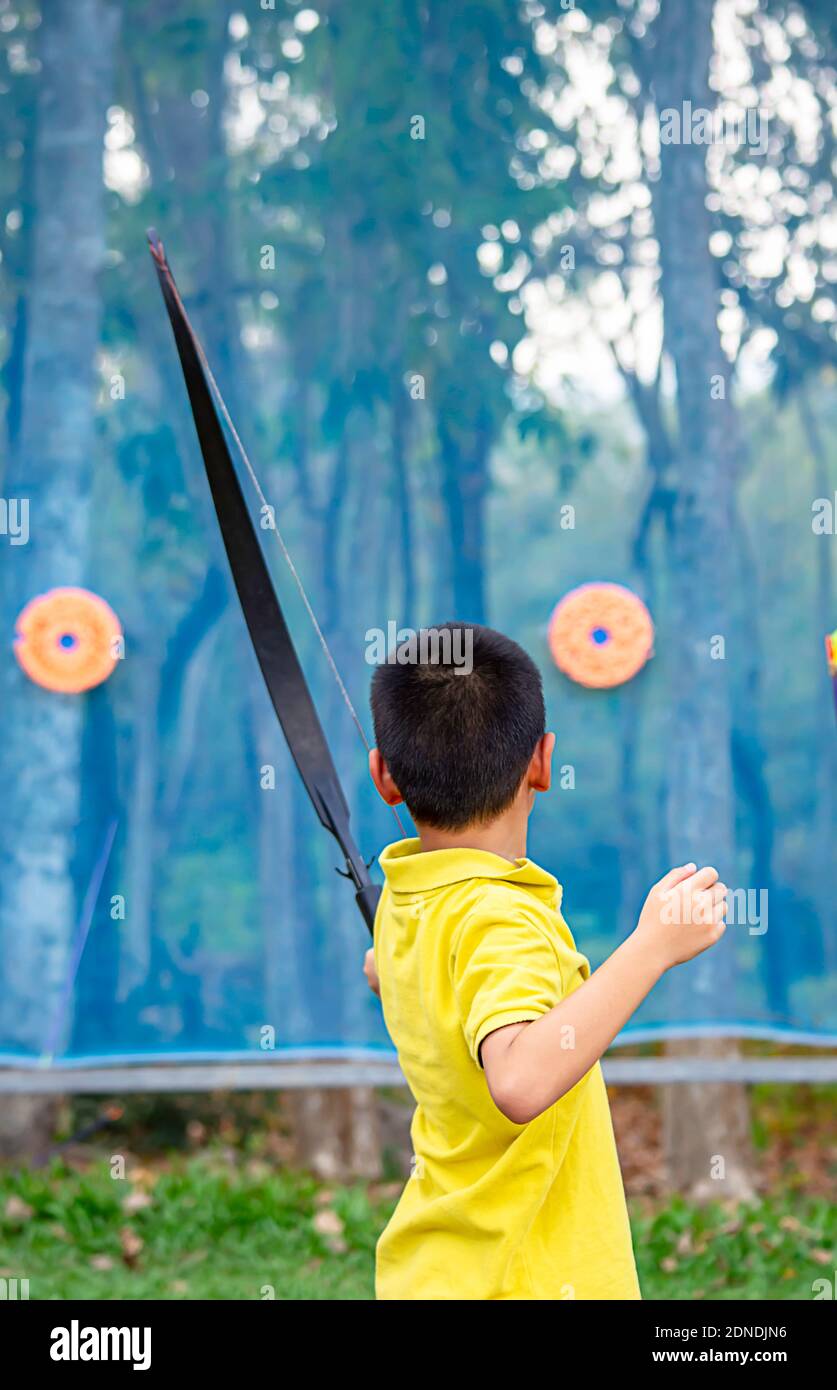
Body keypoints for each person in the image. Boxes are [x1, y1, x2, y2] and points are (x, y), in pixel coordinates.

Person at [363, 622, 727, 1301]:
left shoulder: (408, 892)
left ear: (384, 774)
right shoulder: (501, 917)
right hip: (524, 1278)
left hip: (432, 1271)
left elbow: (385, 969)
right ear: (541, 762)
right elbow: (521, 1081)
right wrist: (650, 948)